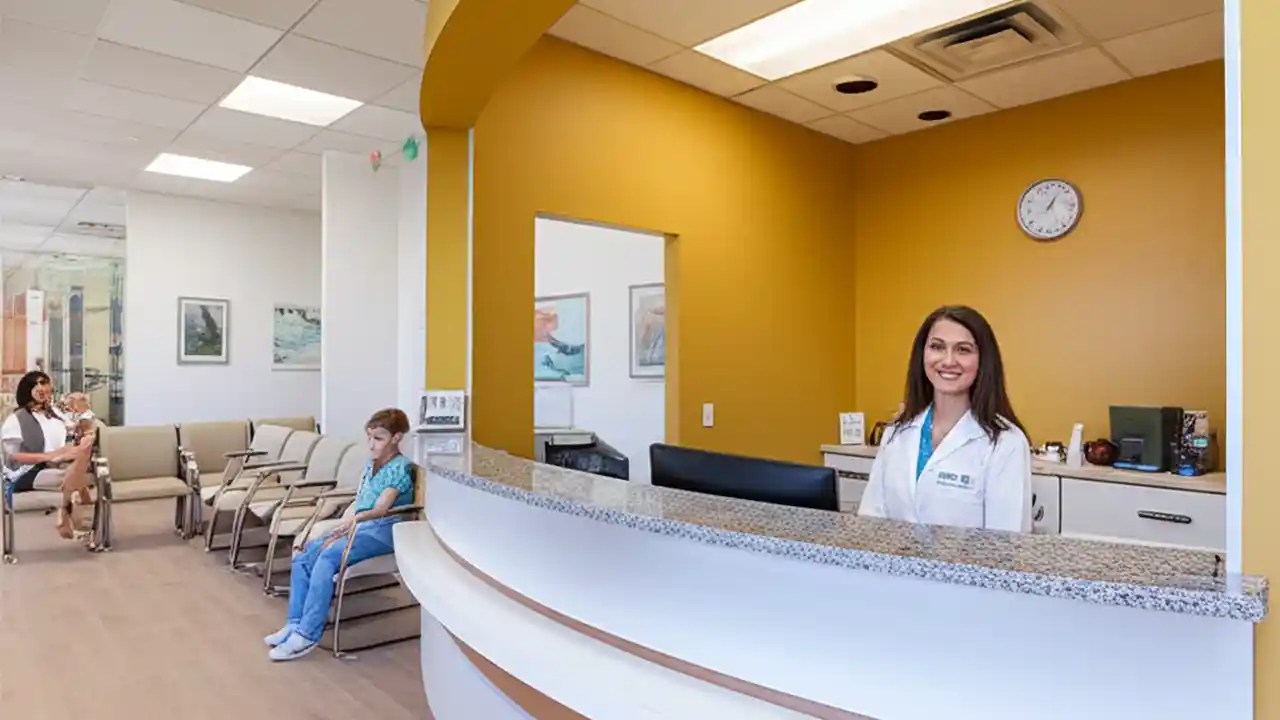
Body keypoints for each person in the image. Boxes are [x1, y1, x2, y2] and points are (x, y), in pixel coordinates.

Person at [858, 306, 1032, 532]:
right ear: (923, 354)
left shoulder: (1006, 443)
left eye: (963, 350)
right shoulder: (897, 433)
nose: (948, 360)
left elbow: (1005, 546)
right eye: (937, 347)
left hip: (967, 568)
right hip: (893, 566)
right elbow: (871, 520)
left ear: (983, 360)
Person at [264, 408, 416, 661]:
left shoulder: (400, 468)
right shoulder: (371, 465)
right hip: (361, 527)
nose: (371, 444)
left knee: (327, 557)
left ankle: (307, 634)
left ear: (397, 438)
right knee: (304, 554)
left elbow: (381, 508)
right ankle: (294, 623)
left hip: (382, 531)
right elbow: (360, 500)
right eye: (369, 437)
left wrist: (353, 522)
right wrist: (342, 524)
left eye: (378, 438)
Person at [1, 371, 96, 538]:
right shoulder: (16, 419)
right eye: (35, 384)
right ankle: (72, 508)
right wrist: (52, 455)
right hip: (27, 471)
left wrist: (87, 430)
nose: (41, 388)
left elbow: (78, 425)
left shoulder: (54, 414)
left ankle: (67, 511)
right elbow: (13, 457)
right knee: (78, 473)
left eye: (44, 383)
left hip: (55, 465)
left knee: (84, 451)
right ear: (27, 390)